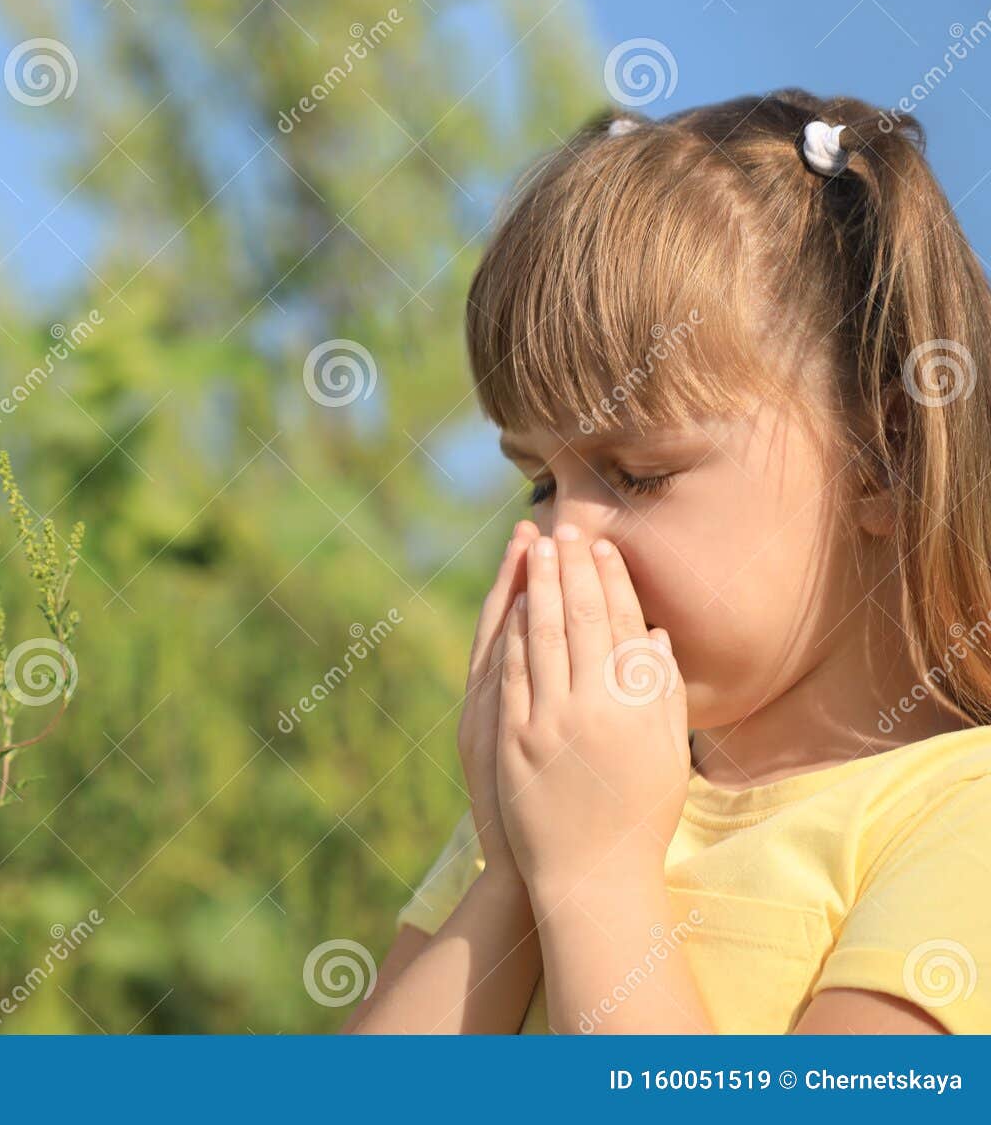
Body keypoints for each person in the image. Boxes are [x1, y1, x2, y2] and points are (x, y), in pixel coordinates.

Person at [345, 90, 991, 1034]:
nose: (565, 539)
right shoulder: (559, 794)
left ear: (884, 454)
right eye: (540, 484)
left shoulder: (958, 822)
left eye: (638, 475)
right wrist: (514, 878)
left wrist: (595, 881)